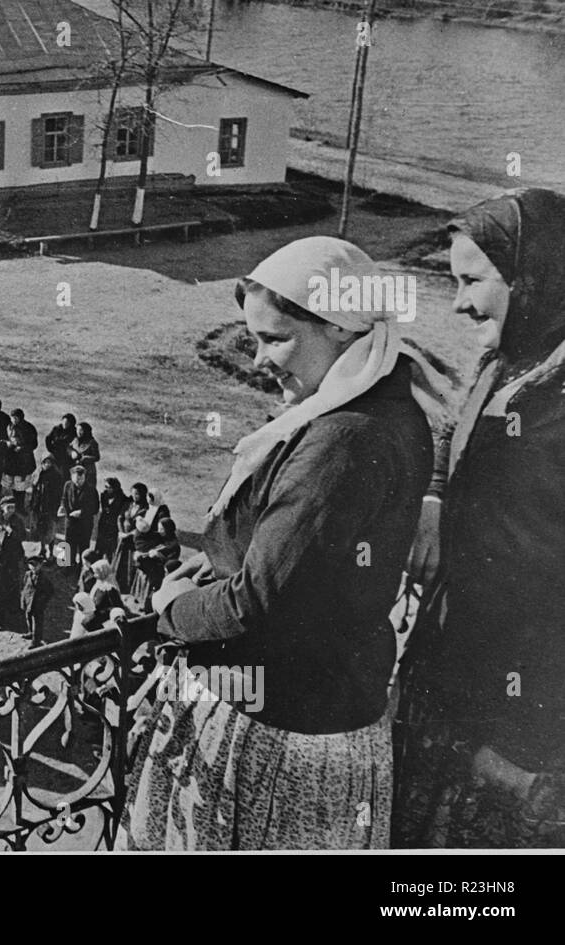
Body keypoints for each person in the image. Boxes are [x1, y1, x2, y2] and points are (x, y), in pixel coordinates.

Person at [122, 236, 439, 851]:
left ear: (344, 330)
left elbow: (258, 603)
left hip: (282, 734)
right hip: (324, 714)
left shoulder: (343, 441)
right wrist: (220, 564)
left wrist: (168, 609)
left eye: (277, 339)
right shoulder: (382, 406)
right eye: (255, 339)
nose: (261, 360)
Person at [395, 188, 565, 849]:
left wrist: (520, 745)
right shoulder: (510, 368)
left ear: (533, 277)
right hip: (454, 686)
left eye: (472, 280)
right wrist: (436, 501)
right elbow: (451, 440)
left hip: (515, 734)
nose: (459, 303)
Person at [20, 556, 54, 647]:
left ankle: (36, 641)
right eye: (31, 565)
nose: (33, 567)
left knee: (37, 623)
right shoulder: (27, 574)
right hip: (28, 602)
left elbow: (50, 591)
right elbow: (24, 587)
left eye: (35, 565)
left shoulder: (44, 578)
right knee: (28, 618)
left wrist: (42, 602)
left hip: (38, 604)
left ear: (41, 565)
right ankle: (30, 632)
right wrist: (23, 600)